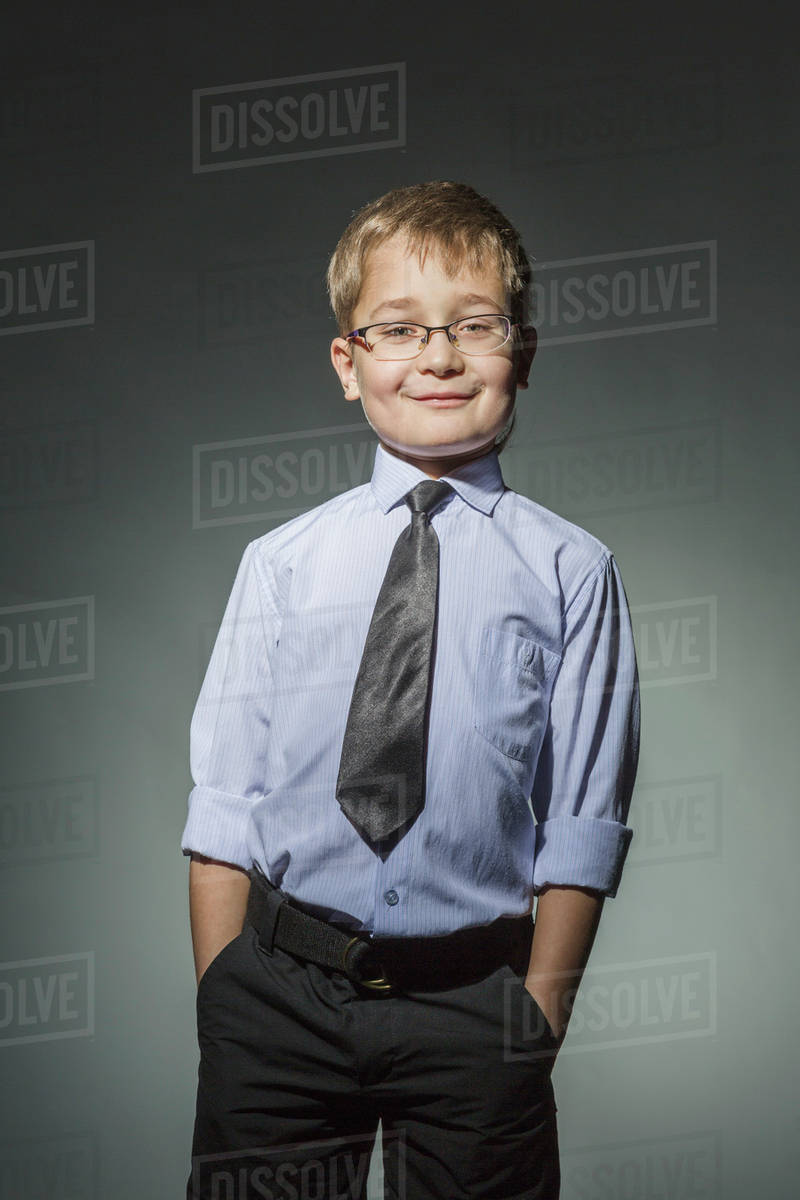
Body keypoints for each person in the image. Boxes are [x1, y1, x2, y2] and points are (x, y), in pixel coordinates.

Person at [182, 180, 641, 1200]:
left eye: (472, 326)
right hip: (278, 1000)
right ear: (348, 365)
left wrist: (536, 1018)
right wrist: (225, 994)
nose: (437, 357)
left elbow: (581, 820)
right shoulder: (281, 564)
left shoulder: (572, 572)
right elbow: (223, 803)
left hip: (475, 1004)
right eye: (397, 329)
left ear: (519, 351)